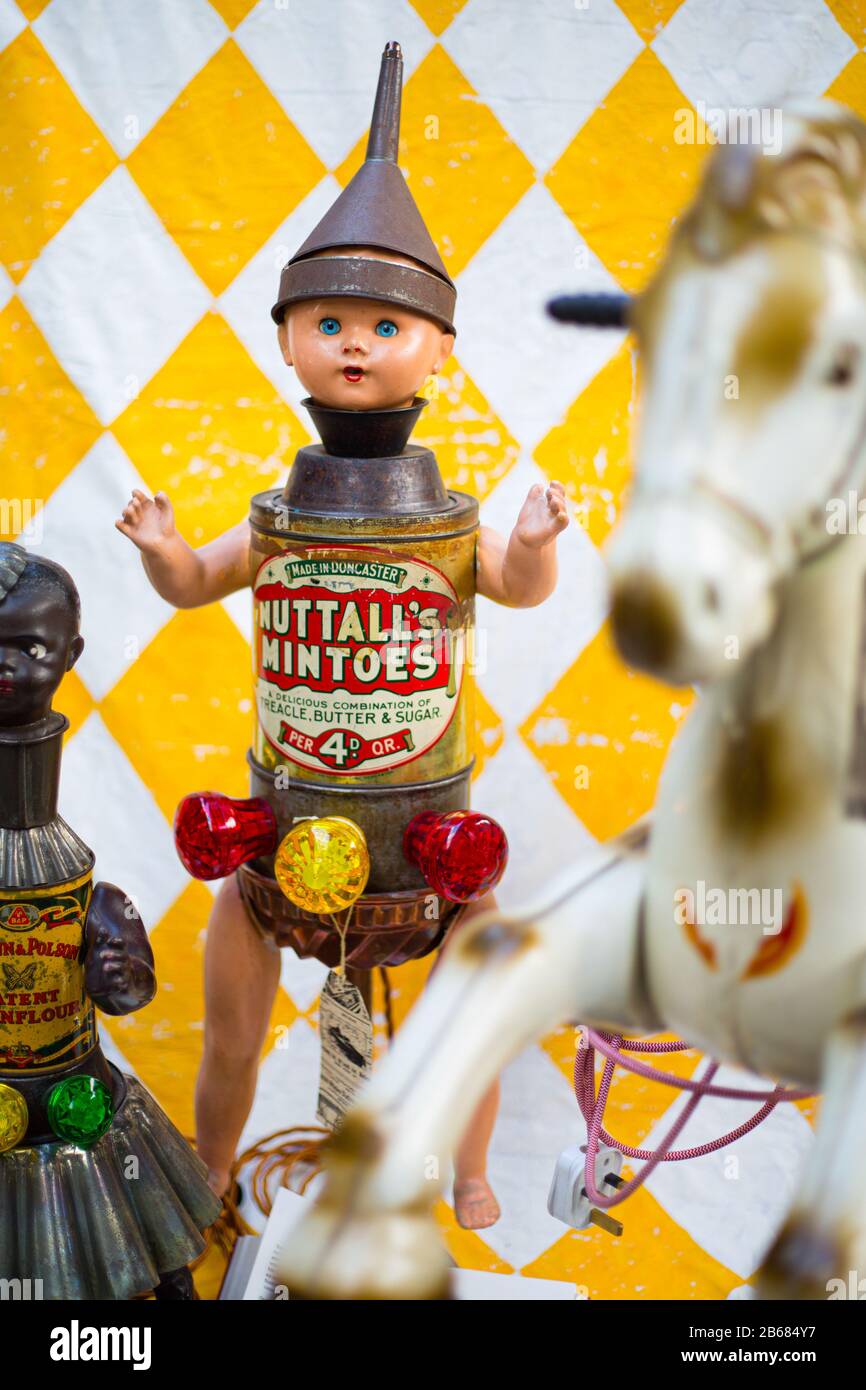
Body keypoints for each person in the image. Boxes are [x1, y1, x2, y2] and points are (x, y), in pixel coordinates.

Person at [117, 42, 568, 1232]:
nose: (355, 343)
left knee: (474, 1000)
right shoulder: (278, 514)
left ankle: (471, 1174)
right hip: (282, 826)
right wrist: (165, 551)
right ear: (286, 339)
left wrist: (534, 540)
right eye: (329, 321)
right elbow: (198, 583)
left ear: (439, 352)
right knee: (229, 1019)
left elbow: (514, 590)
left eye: (384, 323)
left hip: (424, 837)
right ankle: (212, 1166)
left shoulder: (442, 518)